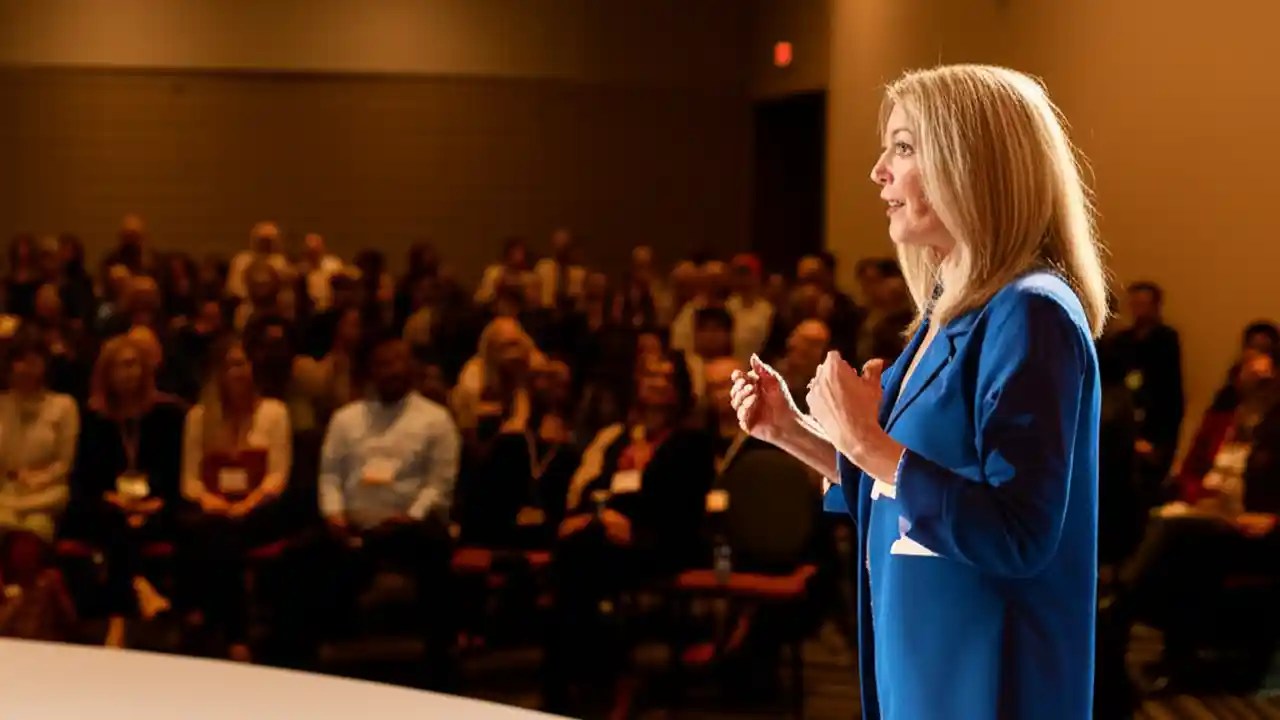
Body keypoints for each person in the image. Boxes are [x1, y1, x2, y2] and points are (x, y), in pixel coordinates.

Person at [729, 64, 1108, 720]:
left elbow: (1017, 534)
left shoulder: (1032, 313)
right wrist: (794, 432)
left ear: (974, 164)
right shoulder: (947, 311)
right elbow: (903, 490)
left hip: (989, 676)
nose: (878, 170)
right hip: (922, 657)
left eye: (903, 147)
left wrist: (867, 442)